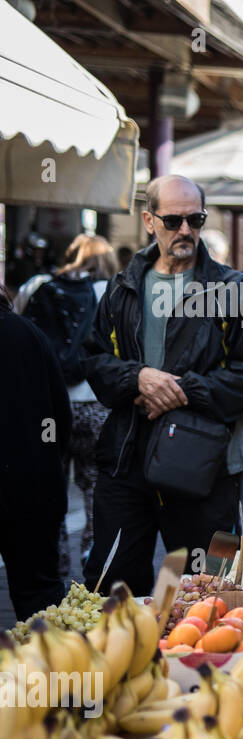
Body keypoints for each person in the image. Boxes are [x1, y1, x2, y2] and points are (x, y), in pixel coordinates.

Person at [81, 174, 243, 595]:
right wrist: (138, 378)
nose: (185, 230)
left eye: (195, 219)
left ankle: (206, 663)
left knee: (217, 591)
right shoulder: (122, 286)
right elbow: (92, 361)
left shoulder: (235, 289)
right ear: (149, 221)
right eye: (173, 220)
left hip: (206, 468)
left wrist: (182, 390)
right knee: (110, 589)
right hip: (126, 462)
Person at [24, 235, 118, 570]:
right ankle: (93, 559)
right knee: (96, 486)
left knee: (52, 487)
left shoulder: (39, 286)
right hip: (96, 406)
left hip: (49, 406)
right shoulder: (109, 291)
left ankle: (56, 563)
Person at [0, 288, 71, 619]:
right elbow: (60, 414)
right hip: (31, 481)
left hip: (30, 479)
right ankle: (50, 665)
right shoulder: (28, 333)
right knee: (39, 597)